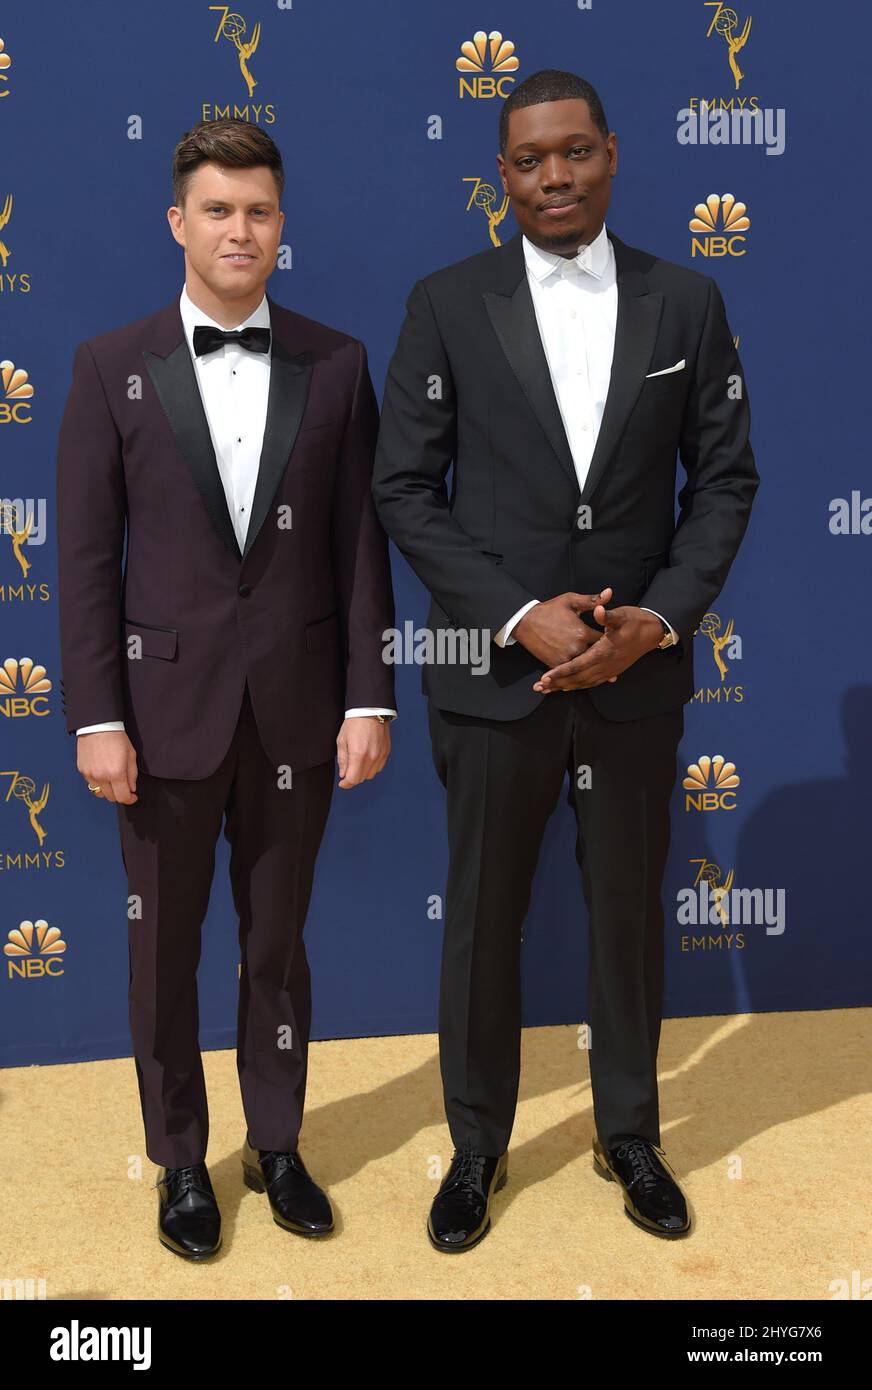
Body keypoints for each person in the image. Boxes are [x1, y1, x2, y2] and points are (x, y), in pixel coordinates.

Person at [372, 69, 758, 1251]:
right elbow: (402, 487)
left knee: (627, 915)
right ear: (502, 174)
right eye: (529, 160)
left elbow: (724, 483)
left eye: (573, 153)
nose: (553, 176)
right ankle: (477, 1146)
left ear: (609, 155)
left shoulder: (684, 301)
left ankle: (627, 1132)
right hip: (497, 678)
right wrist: (518, 611)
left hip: (636, 674)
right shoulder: (445, 302)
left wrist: (658, 617)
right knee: (483, 918)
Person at [56, 118, 396, 1260]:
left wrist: (369, 696)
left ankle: (279, 1144)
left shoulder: (338, 364)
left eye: (256, 211)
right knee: (164, 954)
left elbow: (357, 544)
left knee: (278, 945)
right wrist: (96, 716)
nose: (237, 229)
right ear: (178, 223)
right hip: (157, 723)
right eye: (216, 210)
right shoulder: (110, 367)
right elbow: (87, 559)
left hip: (299, 713)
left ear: (280, 226)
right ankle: (180, 1162)